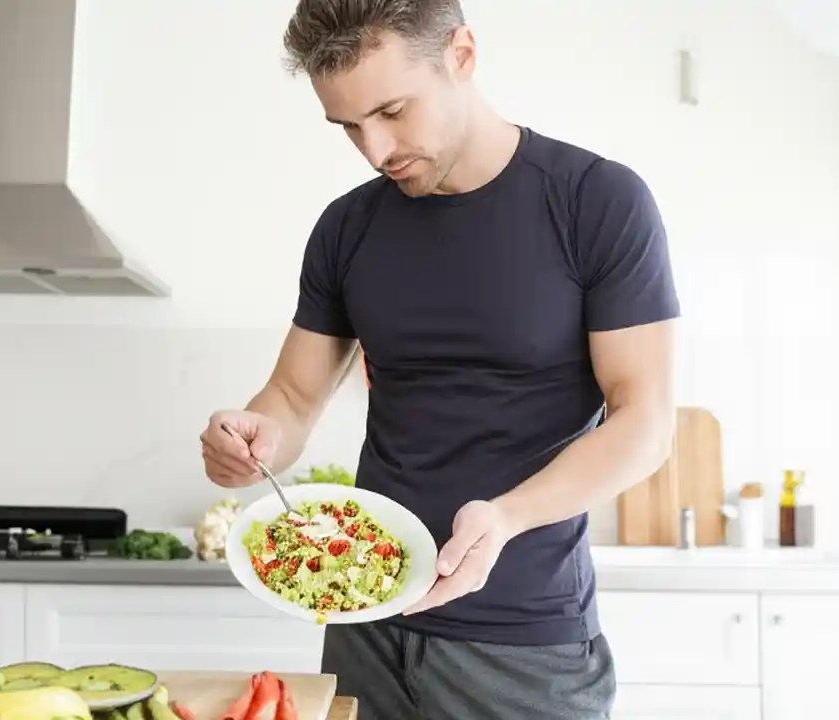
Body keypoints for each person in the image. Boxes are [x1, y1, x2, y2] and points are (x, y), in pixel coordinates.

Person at [199, 1, 679, 717]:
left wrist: (508, 517)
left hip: (523, 647)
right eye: (350, 127)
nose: (376, 148)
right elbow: (292, 401)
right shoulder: (346, 228)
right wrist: (252, 434)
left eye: (393, 110)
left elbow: (645, 422)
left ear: (461, 55)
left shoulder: (596, 203)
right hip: (363, 624)